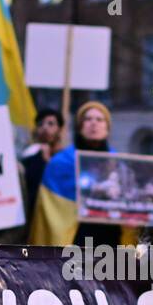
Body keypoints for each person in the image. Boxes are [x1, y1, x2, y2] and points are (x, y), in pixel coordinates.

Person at [30, 101, 128, 247]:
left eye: (99, 119)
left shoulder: (119, 164)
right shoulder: (60, 162)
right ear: (79, 127)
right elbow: (52, 207)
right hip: (76, 239)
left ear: (107, 128)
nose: (93, 123)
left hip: (111, 239)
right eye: (88, 119)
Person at [18, 107, 63, 225]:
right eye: (40, 124)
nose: (45, 127)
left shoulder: (65, 158)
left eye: (51, 124)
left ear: (59, 129)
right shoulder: (29, 154)